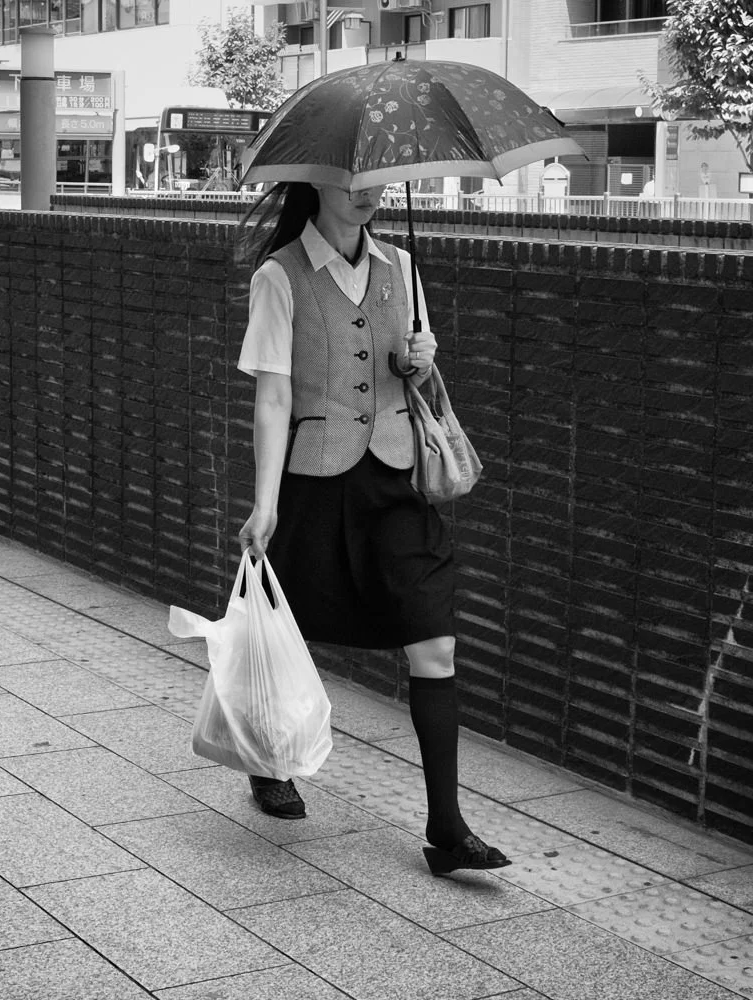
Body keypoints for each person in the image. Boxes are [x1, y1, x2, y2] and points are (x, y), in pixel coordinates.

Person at [235, 180, 510, 875]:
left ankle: (446, 829)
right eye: (351, 184)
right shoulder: (280, 276)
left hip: (395, 478)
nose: (367, 195)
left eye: (375, 183)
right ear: (316, 187)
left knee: (435, 640)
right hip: (315, 480)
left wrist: (422, 360)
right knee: (281, 632)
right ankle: (269, 764)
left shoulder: (404, 268)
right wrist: (264, 503)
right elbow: (271, 397)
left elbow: (408, 381)